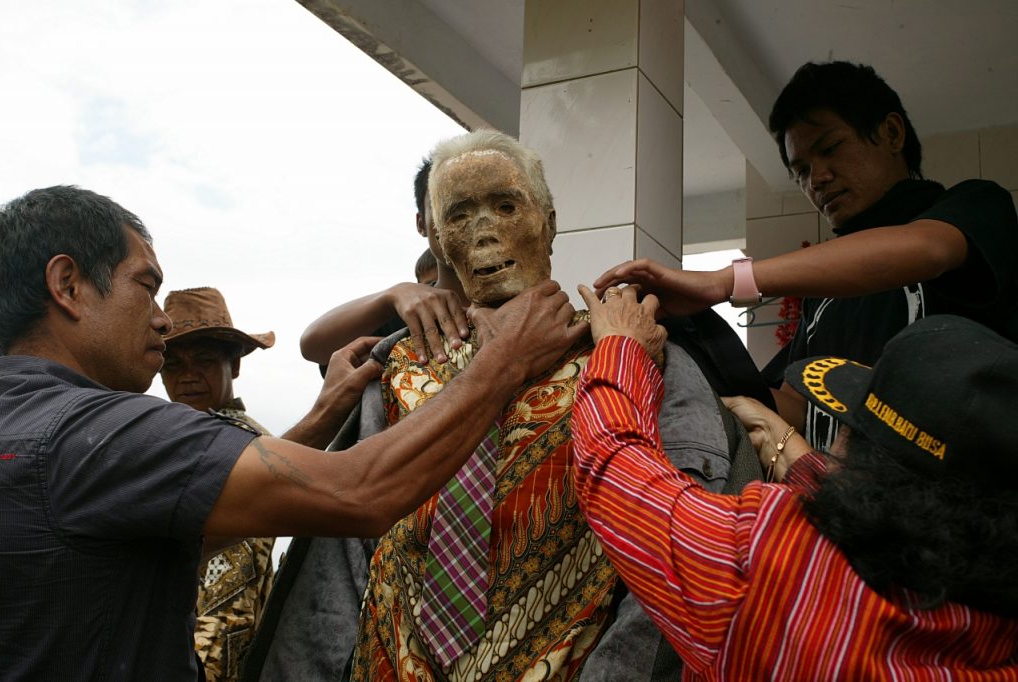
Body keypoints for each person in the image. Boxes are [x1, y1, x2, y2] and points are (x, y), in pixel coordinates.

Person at [0, 184, 584, 681]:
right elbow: (359, 491)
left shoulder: (30, 426)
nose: (162, 318)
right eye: (145, 286)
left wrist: (325, 417)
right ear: (68, 285)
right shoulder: (102, 433)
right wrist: (504, 363)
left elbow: (172, 529)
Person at [348, 130, 745, 681]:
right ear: (437, 239)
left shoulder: (628, 350)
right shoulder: (401, 367)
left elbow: (681, 534)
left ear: (549, 222)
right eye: (460, 215)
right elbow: (350, 540)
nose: (485, 232)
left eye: (507, 205)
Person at [571, 286, 1018, 680]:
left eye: (848, 426)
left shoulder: (768, 567)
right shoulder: (995, 625)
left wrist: (621, 345)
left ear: (865, 465)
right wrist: (781, 439)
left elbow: (612, 464)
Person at [594, 60, 1018, 452]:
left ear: (892, 133)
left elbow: (928, 248)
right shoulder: (822, 298)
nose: (818, 178)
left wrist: (724, 282)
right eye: (800, 171)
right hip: (846, 508)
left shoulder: (975, 206)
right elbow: (799, 407)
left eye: (831, 148)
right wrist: (681, 345)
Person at [158, 286, 276, 682]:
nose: (187, 375)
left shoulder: (238, 449)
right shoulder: (178, 440)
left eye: (204, 360)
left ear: (235, 365)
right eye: (173, 364)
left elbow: (229, 609)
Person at [300, 159, 470, 367]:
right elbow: (313, 345)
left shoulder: (520, 309)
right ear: (421, 223)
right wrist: (392, 296)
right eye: (446, 203)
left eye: (501, 205)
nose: (471, 217)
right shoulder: (407, 310)